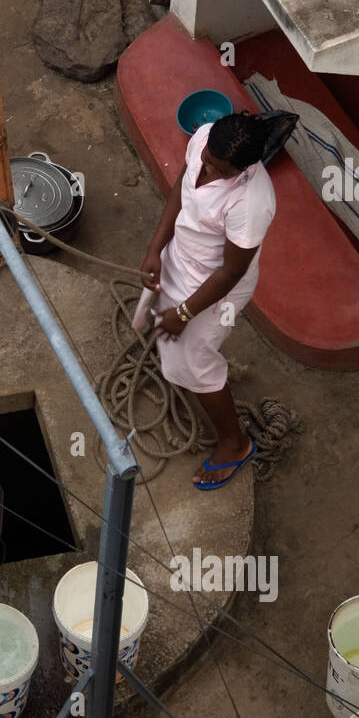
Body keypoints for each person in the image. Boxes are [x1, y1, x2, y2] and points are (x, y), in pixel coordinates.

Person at [136, 111, 287, 490]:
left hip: (213, 287)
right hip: (180, 257)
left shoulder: (251, 203)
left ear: (243, 169)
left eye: (219, 169)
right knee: (169, 332)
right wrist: (157, 248)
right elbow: (180, 189)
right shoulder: (206, 138)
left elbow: (230, 273)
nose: (207, 167)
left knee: (197, 361)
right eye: (207, 159)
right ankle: (176, 359)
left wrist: (185, 313)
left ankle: (235, 444)